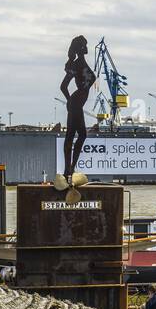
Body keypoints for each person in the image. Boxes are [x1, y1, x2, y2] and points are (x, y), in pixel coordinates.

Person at [56, 35, 95, 192]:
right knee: (77, 135)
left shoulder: (80, 63)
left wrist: (70, 102)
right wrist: (70, 102)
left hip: (76, 102)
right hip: (76, 103)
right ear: (80, 48)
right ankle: (69, 170)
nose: (87, 47)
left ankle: (69, 170)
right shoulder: (78, 64)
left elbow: (64, 87)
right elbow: (63, 86)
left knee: (74, 135)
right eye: (85, 45)